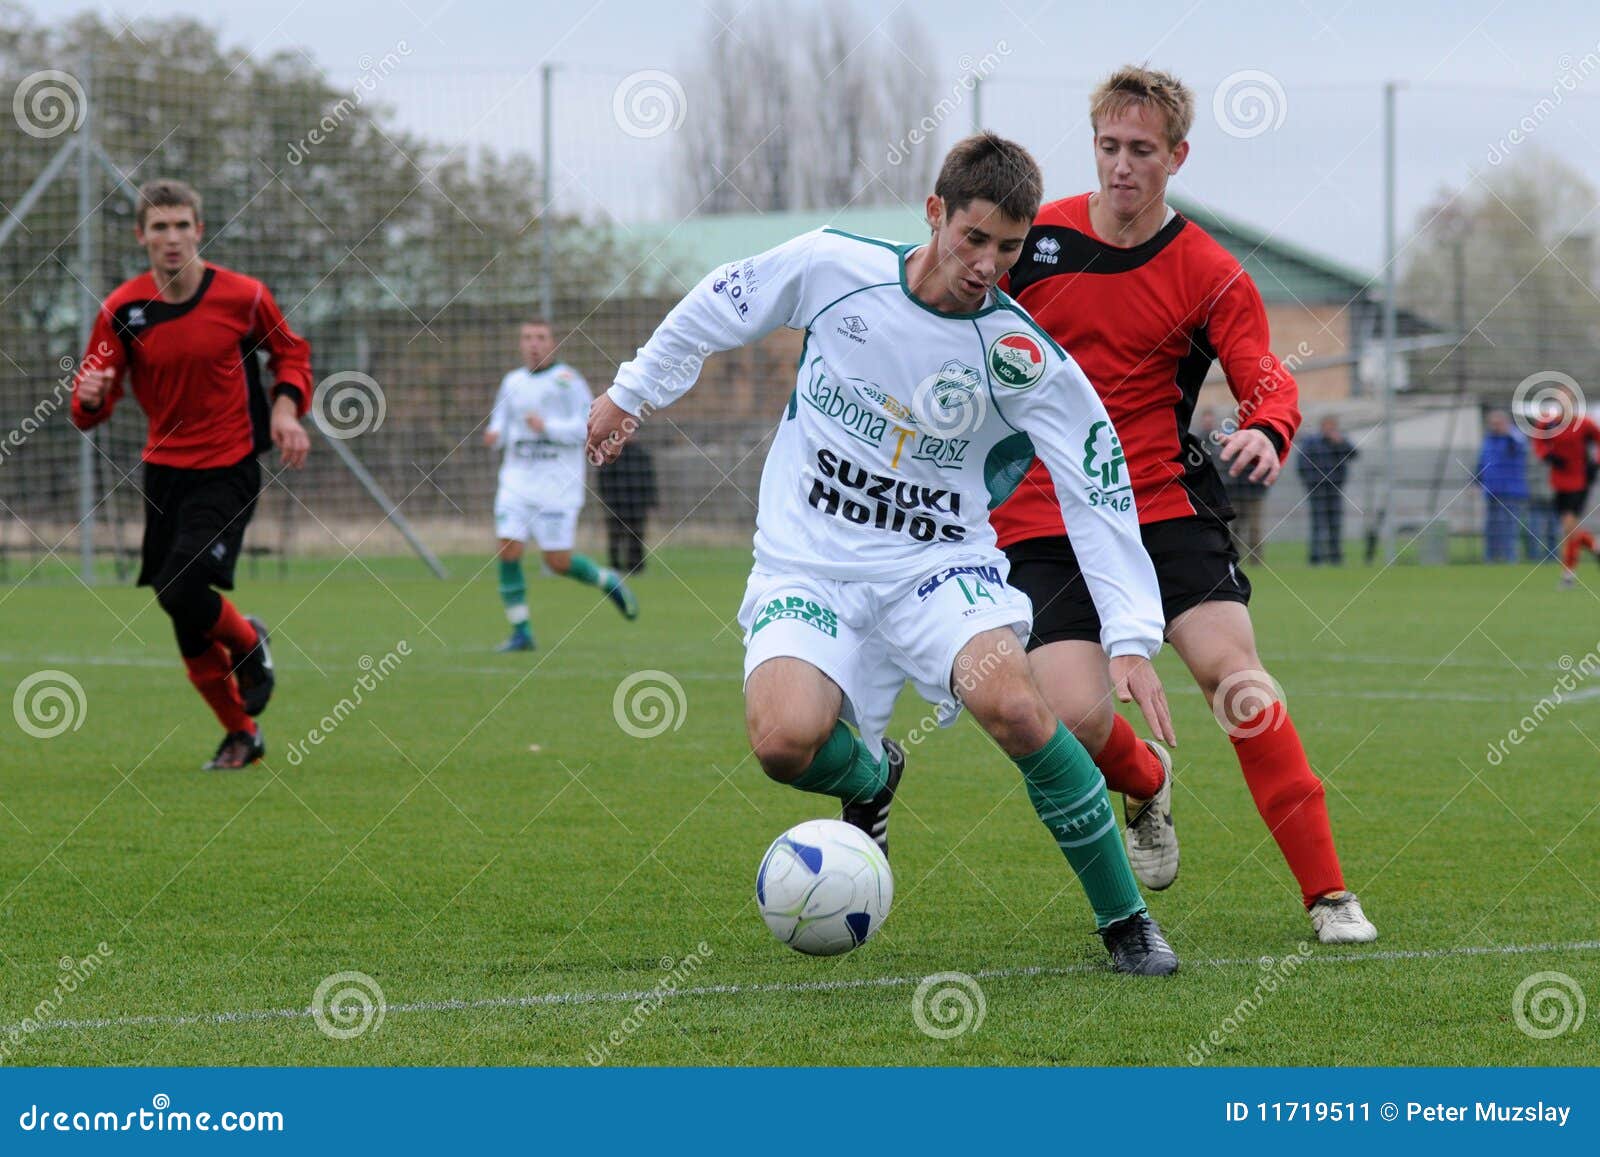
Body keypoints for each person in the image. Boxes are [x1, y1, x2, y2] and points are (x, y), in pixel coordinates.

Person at [588, 133, 1182, 974]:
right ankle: (870, 775)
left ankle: (1126, 921)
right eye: (973, 238)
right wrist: (630, 391)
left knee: (1013, 704)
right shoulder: (834, 267)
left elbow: (1099, 478)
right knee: (783, 741)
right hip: (810, 564)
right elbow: (722, 302)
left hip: (940, 569)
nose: (987, 264)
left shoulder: (1021, 358)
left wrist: (1129, 631)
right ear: (935, 214)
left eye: (1008, 249)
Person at [993, 66, 1376, 944]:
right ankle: (1145, 780)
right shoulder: (1037, 243)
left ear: (1177, 156)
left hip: (1160, 502)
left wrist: (1268, 429)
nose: (1122, 166)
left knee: (1238, 683)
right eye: (1108, 147)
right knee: (1073, 720)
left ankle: (1329, 895)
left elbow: (1264, 373)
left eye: (1142, 151)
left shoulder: (1207, 270)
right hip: (1045, 514)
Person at [69, 178, 310, 770]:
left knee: (180, 587)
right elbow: (87, 409)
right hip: (163, 472)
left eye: (182, 225)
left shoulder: (244, 297)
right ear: (141, 236)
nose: (172, 238)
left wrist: (284, 410)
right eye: (159, 227)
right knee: (180, 609)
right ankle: (242, 734)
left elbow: (291, 354)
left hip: (228, 467)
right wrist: (91, 392)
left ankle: (250, 644)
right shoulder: (123, 310)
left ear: (199, 229)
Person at [484, 319, 637, 651]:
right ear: (520, 343)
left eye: (540, 337)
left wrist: (547, 427)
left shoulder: (568, 381)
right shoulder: (512, 381)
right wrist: (495, 436)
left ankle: (607, 579)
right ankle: (521, 632)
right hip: (515, 483)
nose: (533, 344)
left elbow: (588, 427)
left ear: (552, 343)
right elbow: (500, 423)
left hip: (556, 486)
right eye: (527, 337)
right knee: (508, 550)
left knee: (557, 562)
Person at [1530, 383, 1600, 588]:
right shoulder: (1549, 424)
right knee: (1570, 528)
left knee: (1569, 527)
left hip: (1579, 481)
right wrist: (1548, 456)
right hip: (1559, 481)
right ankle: (1594, 545)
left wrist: (1595, 462)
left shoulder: (1584, 424)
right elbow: (1538, 443)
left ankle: (1568, 575)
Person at [1199, 406, 1268, 563]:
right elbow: (1222, 463)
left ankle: (1256, 560)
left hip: (1254, 491)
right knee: (1234, 528)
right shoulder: (1226, 439)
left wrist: (1261, 485)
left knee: (1254, 528)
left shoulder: (1257, 438)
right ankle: (1234, 559)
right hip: (1233, 491)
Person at [1296, 416, 1359, 565]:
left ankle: (1335, 557)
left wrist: (1340, 442)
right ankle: (1316, 558)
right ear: (1322, 426)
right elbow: (1302, 465)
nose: (1329, 429)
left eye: (1332, 426)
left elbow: (1354, 454)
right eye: (1327, 426)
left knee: (1335, 524)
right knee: (1317, 524)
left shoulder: (1339, 441)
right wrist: (1311, 482)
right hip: (1317, 489)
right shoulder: (1311, 442)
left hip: (1335, 489)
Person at [597, 439, 657, 574]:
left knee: (637, 536)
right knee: (615, 536)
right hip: (616, 504)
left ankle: (636, 567)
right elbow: (604, 481)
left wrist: (651, 501)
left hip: (637, 504)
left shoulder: (642, 454)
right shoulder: (610, 455)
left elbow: (649, 479)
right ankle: (614, 566)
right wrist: (607, 501)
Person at [1474, 409, 1527, 563]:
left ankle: (1510, 558)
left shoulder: (1514, 438)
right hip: (1491, 491)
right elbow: (1481, 463)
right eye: (1492, 424)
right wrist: (1475, 482)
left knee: (1509, 527)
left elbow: (1521, 445)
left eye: (1498, 423)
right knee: (1491, 528)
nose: (1494, 427)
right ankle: (1490, 559)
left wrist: (1508, 431)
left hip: (1511, 492)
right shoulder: (1488, 440)